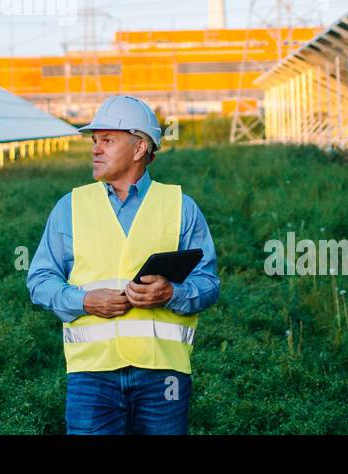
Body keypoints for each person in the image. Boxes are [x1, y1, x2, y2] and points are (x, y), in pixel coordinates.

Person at [27, 95, 220, 434]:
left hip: (164, 376)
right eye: (94, 140)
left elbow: (209, 284)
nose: (95, 149)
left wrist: (172, 293)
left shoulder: (181, 207)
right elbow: (40, 280)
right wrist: (84, 301)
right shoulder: (69, 207)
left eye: (107, 140)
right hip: (91, 375)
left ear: (139, 148)